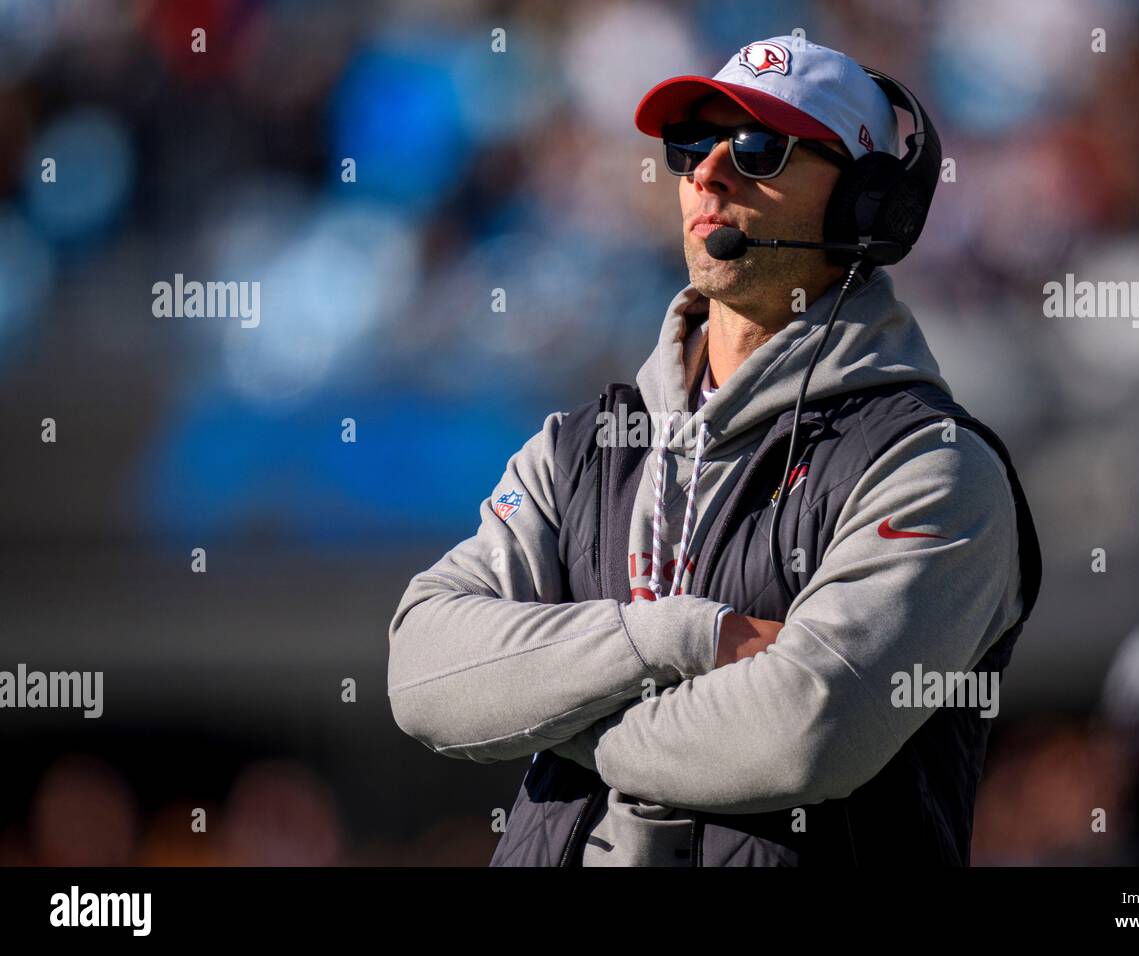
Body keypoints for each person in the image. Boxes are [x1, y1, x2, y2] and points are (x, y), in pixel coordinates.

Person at [387, 36, 1042, 866]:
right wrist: (676, 640)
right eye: (691, 147)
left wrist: (553, 714)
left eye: (760, 148)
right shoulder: (576, 448)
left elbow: (803, 735)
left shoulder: (935, 469)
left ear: (867, 204)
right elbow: (421, 671)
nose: (709, 173)